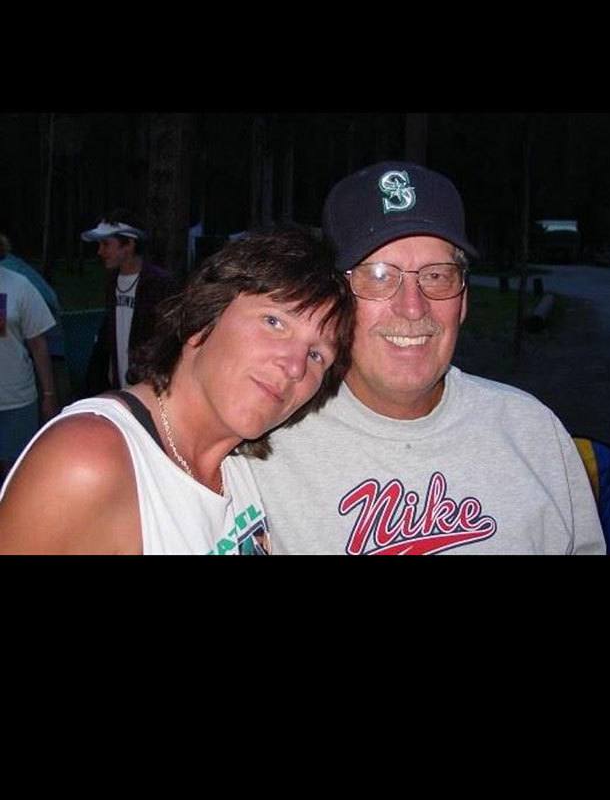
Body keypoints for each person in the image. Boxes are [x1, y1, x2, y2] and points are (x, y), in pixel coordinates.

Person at [245, 162, 606, 555]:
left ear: (463, 300)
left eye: (436, 275)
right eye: (379, 276)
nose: (413, 308)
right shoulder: (264, 448)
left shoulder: (533, 434)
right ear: (333, 299)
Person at [0, 228, 354, 555]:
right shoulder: (90, 462)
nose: (294, 367)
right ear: (204, 318)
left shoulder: (238, 465)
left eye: (316, 355)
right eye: (274, 322)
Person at [81, 208, 180, 394]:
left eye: (106, 244)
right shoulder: (112, 282)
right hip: (122, 387)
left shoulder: (160, 284)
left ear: (129, 245)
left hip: (152, 387)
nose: (100, 251)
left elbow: (168, 339)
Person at [0, 238, 59, 481]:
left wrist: (49, 394)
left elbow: (38, 343)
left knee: (15, 476)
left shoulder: (19, 285)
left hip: (16, 401)